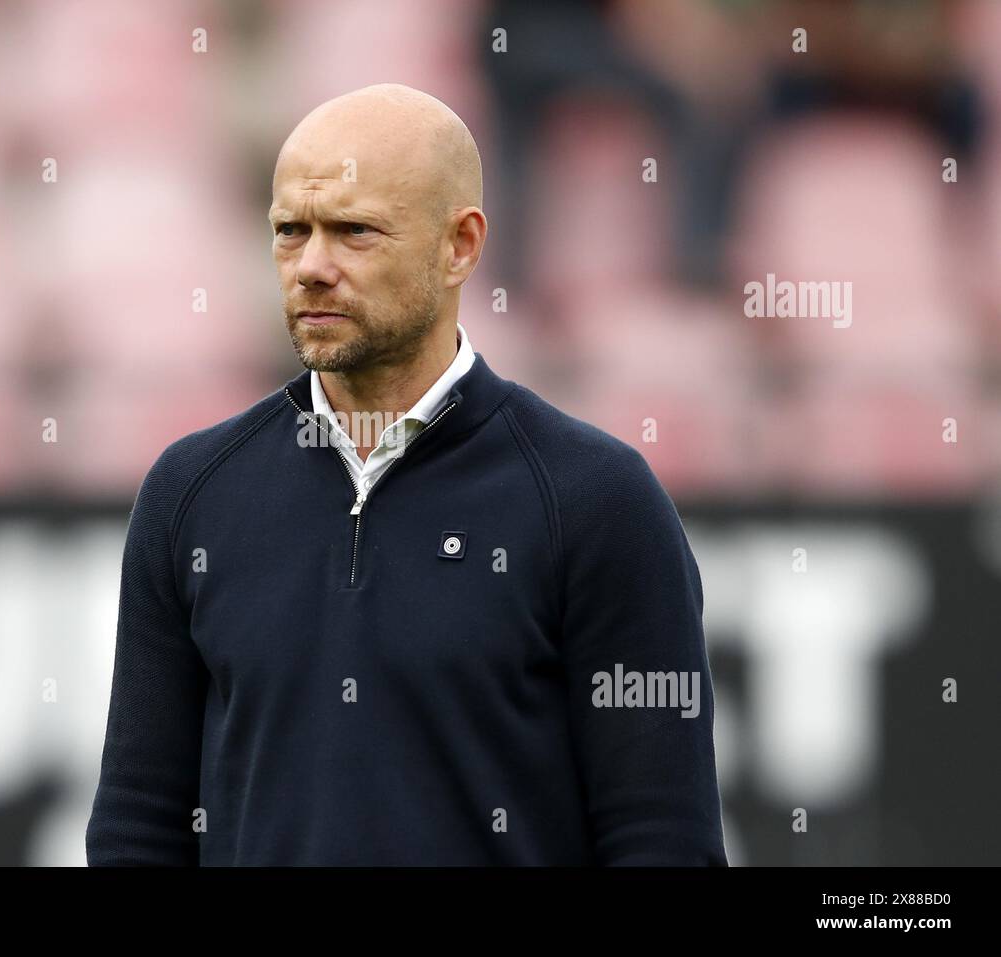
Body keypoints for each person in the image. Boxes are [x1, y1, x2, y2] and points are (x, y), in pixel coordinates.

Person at [86, 83, 727, 865]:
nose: (312, 266)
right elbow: (137, 823)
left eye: (354, 231)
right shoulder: (191, 494)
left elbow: (663, 838)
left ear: (460, 244)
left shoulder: (598, 500)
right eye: (291, 230)